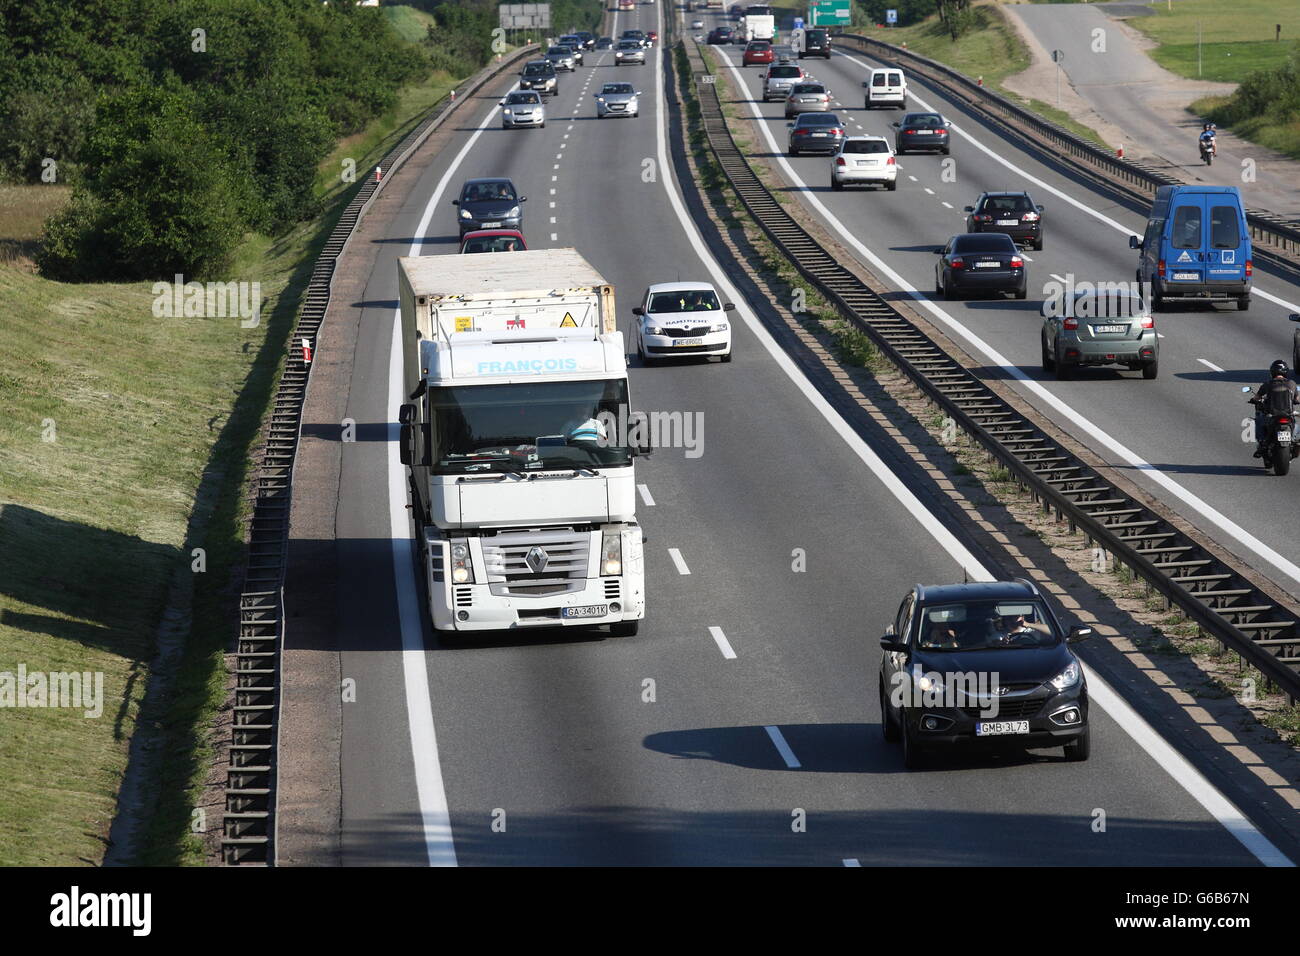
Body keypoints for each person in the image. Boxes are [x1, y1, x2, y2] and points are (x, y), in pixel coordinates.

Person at [1250, 360, 1299, 458]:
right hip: (1288, 414)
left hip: (1272, 415)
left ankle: (1262, 443)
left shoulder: (1268, 384)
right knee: (1295, 422)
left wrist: (1253, 400)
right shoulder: (1292, 383)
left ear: (1272, 372)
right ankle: (1294, 441)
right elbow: (1297, 399)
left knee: (1259, 420)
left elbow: (1257, 397)